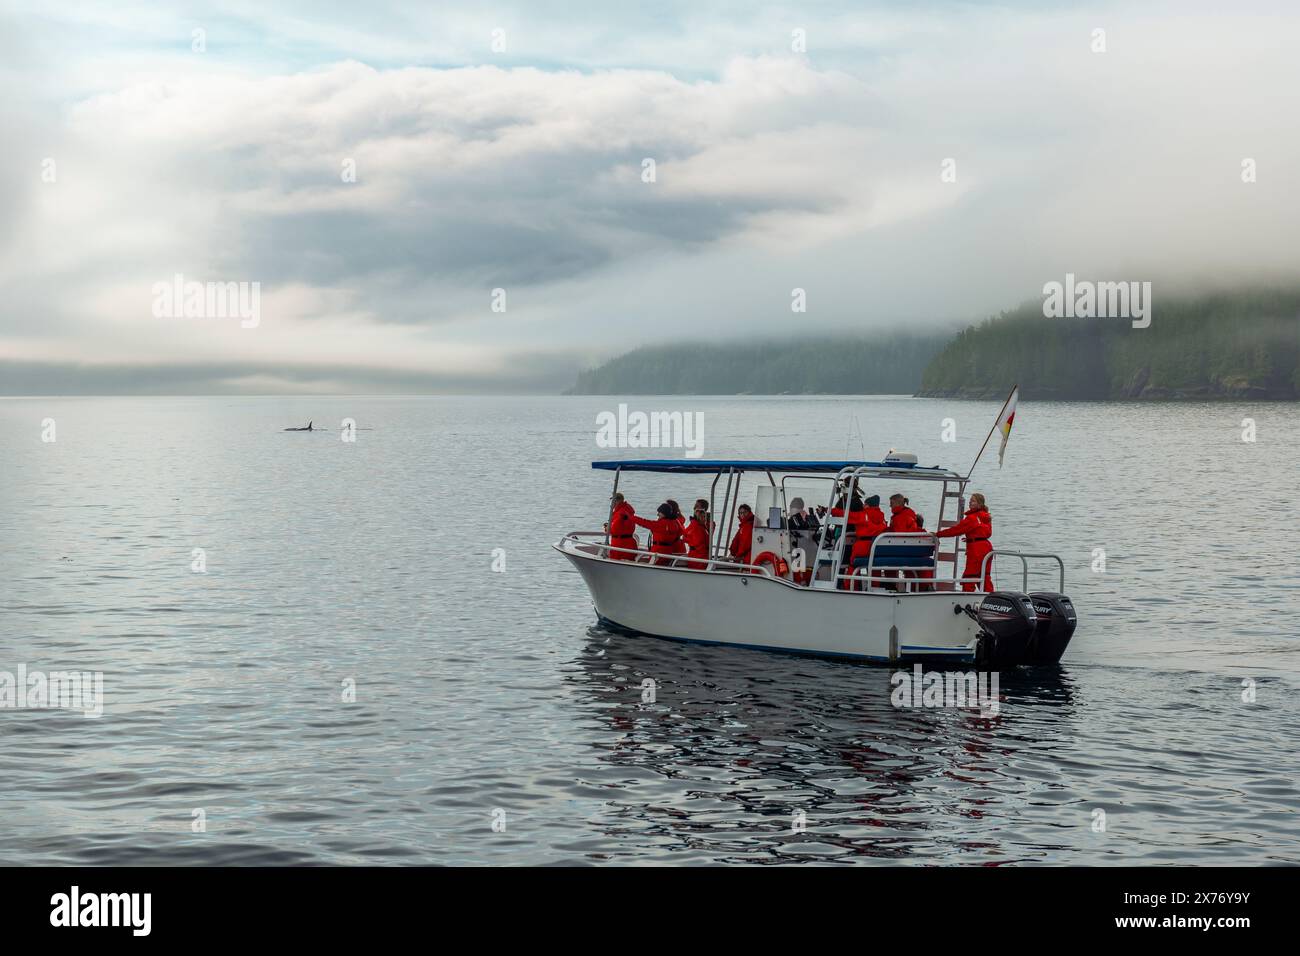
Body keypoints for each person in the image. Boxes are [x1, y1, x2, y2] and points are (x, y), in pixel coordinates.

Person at [935, 492, 994, 592]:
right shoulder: (986, 517)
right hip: (987, 548)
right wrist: (971, 537)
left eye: (973, 501)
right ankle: (991, 599)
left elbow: (956, 530)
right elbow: (986, 533)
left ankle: (967, 599)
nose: (970, 502)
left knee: (969, 577)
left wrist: (938, 534)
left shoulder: (972, 518)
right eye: (970, 500)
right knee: (984, 576)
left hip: (976, 550)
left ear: (979, 504)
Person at [605, 493, 639, 560]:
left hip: (620, 545)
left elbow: (615, 529)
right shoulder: (628, 510)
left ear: (618, 501)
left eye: (613, 501)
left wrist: (607, 528)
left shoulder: (620, 513)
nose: (612, 503)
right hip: (629, 543)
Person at [683, 501, 712, 566]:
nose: (694, 507)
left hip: (700, 556)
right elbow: (685, 536)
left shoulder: (705, 525)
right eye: (702, 517)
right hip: (697, 556)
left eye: (697, 506)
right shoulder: (696, 526)